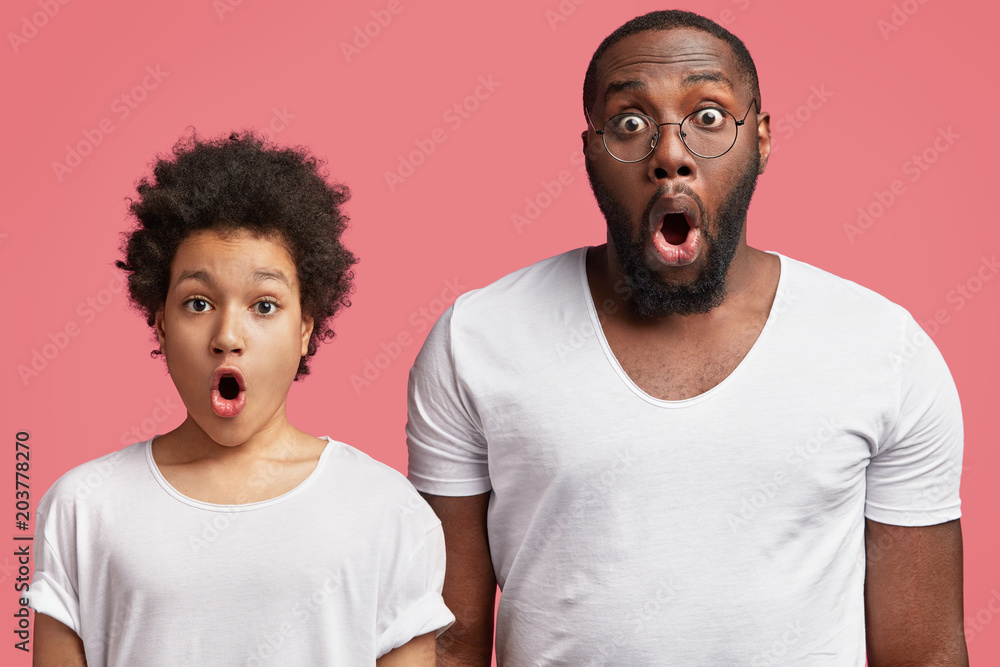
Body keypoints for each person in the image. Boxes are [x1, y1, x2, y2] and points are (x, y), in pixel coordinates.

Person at [406, 10, 966, 666]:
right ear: (590, 153)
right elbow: (448, 643)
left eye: (708, 116)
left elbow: (922, 653)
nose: (670, 154)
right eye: (629, 123)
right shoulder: (476, 340)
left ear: (760, 140)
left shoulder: (884, 351)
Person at [30, 132, 453, 666]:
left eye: (265, 305)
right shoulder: (82, 506)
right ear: (161, 325)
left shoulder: (388, 510)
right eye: (198, 302)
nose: (228, 336)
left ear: (305, 328)